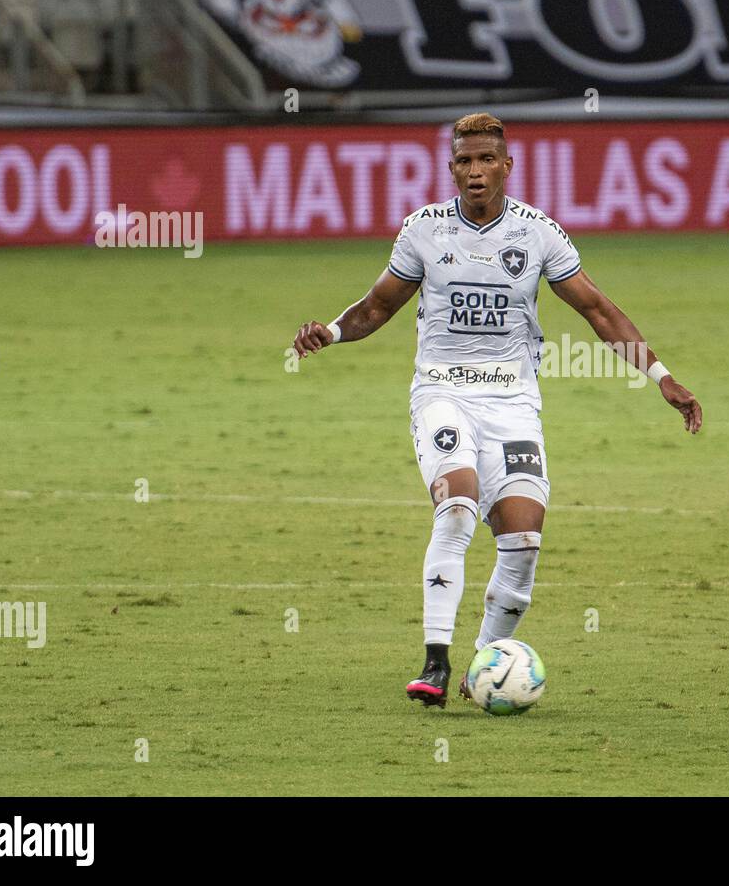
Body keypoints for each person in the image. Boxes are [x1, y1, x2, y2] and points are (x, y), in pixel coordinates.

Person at [291, 113, 703, 706]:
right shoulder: (423, 230)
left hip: (513, 402)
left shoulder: (538, 233)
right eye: (464, 161)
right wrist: (329, 332)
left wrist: (661, 376)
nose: (475, 171)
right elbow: (378, 307)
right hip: (443, 391)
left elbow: (599, 311)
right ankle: (435, 661)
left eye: (487, 160)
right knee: (456, 505)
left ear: (507, 166)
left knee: (524, 541)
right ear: (451, 167)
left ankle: (482, 669)